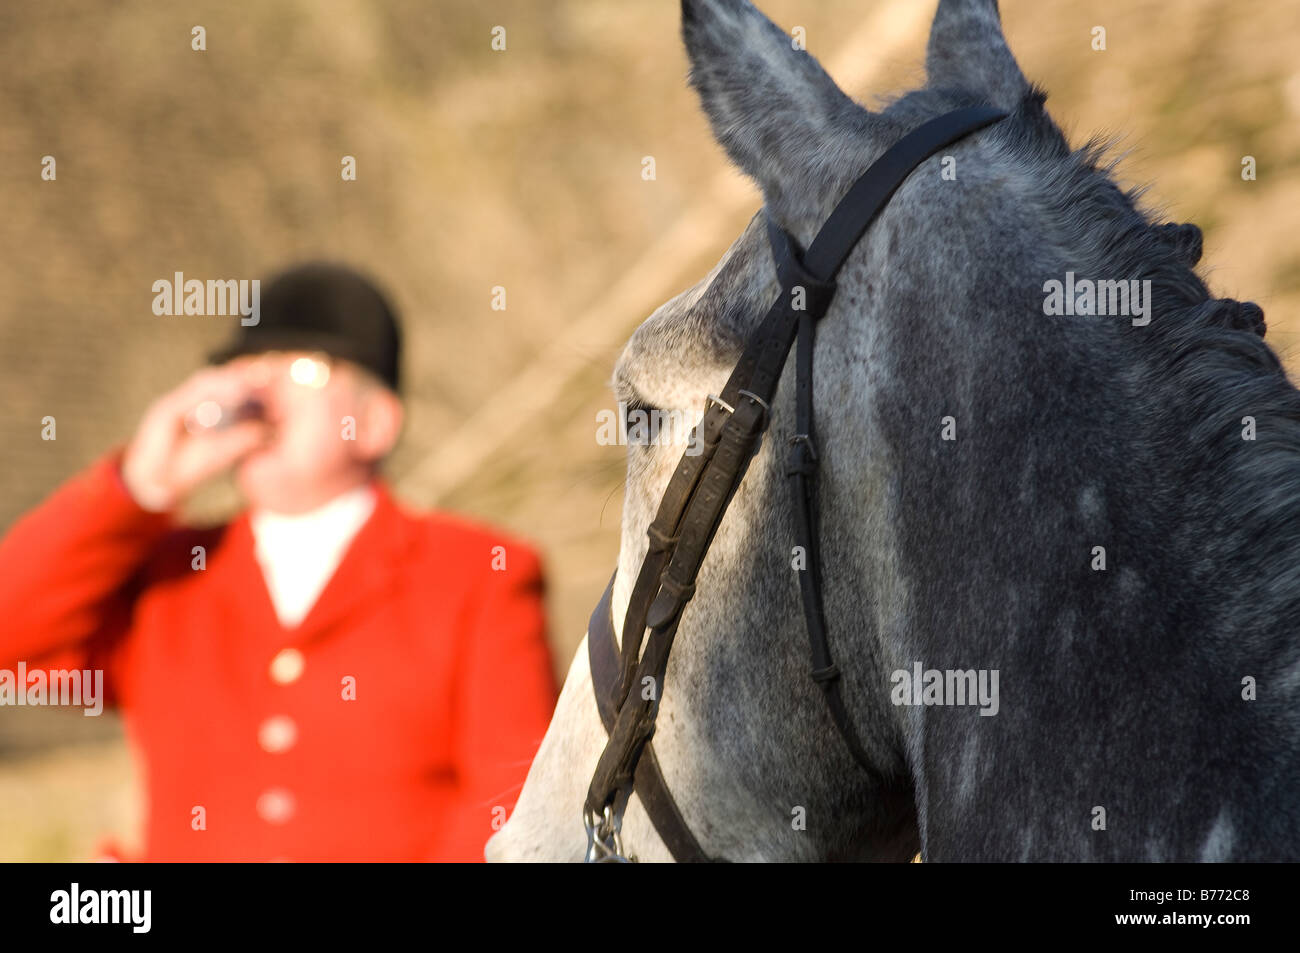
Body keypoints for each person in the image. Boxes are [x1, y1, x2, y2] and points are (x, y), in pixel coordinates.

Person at [0, 262, 557, 861]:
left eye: (301, 368)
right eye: (245, 368)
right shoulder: (167, 577)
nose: (260, 393)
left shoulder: (478, 576)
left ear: (373, 423)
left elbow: (510, 812)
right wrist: (138, 486)